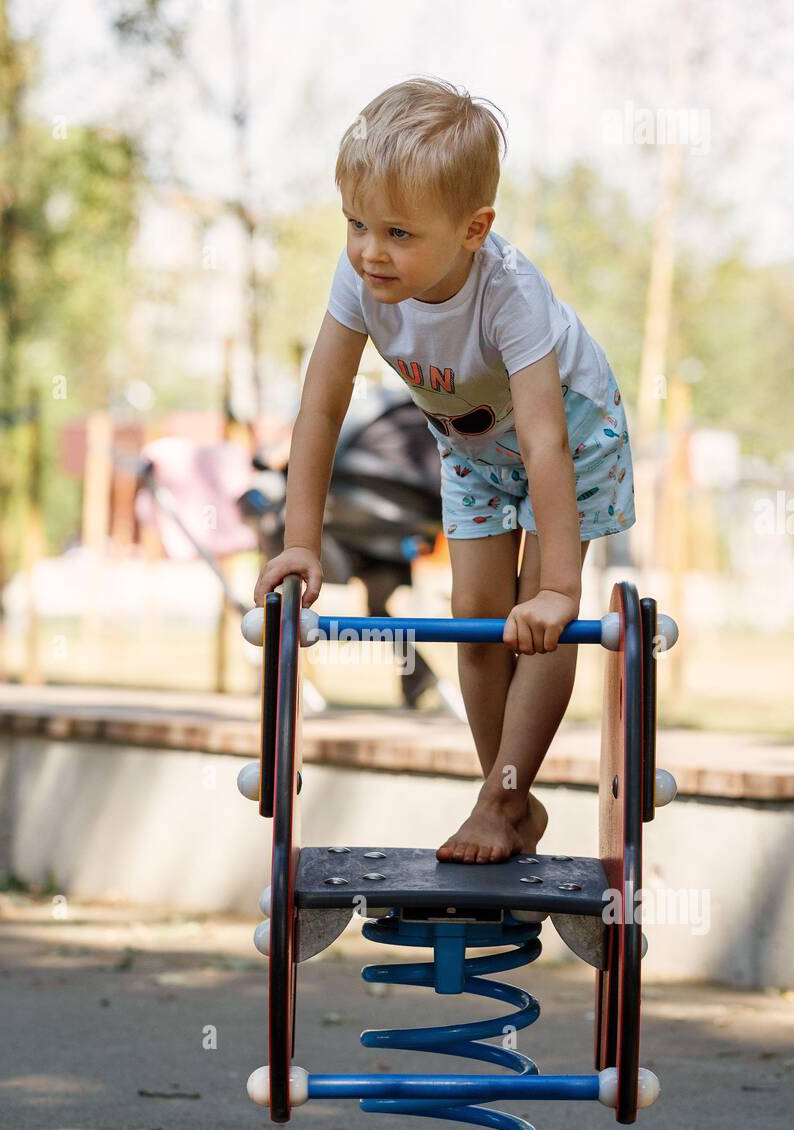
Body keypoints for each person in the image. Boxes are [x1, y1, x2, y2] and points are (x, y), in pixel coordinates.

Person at [253, 76, 635, 864]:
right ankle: (509, 800)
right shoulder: (361, 280)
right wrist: (301, 542)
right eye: (356, 222)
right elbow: (320, 408)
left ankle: (498, 802)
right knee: (474, 620)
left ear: (473, 229)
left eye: (396, 232)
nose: (368, 250)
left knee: (537, 624)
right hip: (471, 451)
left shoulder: (509, 293)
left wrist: (560, 588)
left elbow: (545, 445)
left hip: (571, 438)